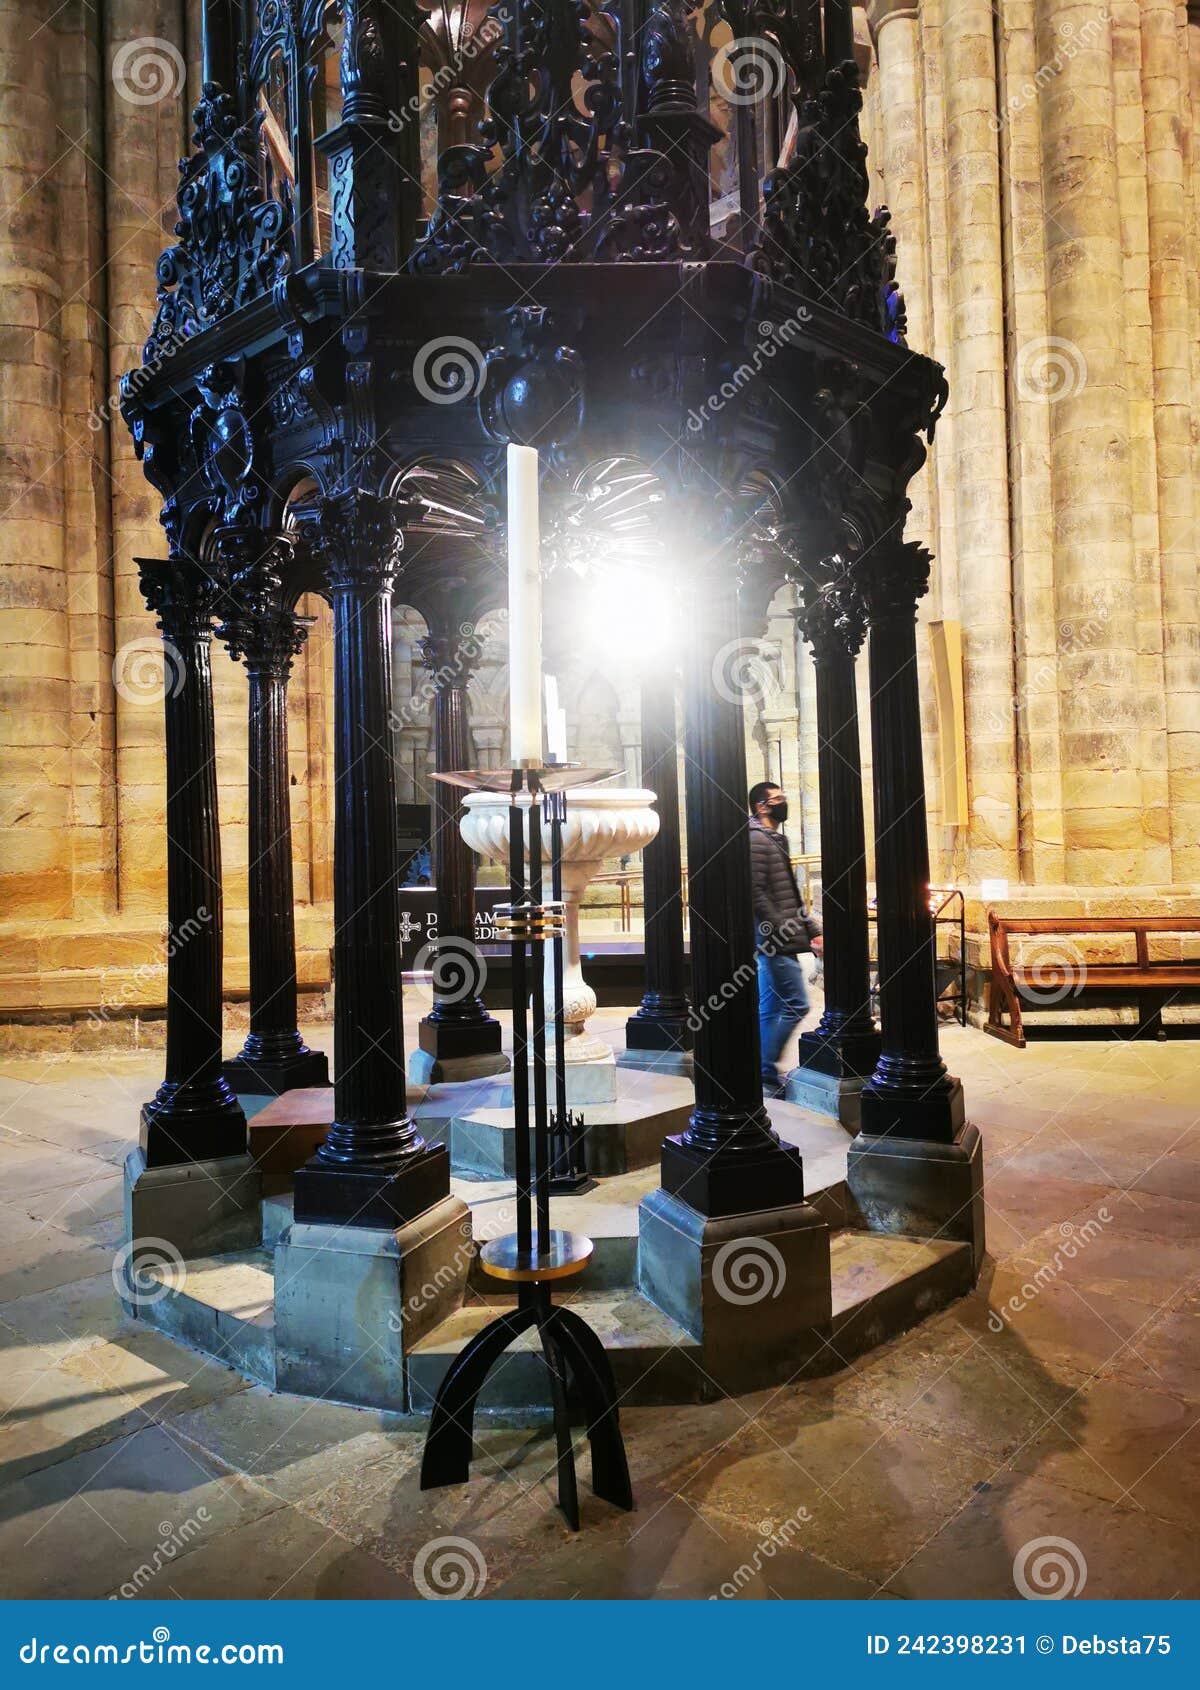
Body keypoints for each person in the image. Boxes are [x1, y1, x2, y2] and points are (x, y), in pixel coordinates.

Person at [748, 781, 821, 1097]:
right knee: (796, 1003)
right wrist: (780, 929)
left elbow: (789, 891)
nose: (784, 803)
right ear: (761, 806)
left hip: (780, 936)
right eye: (778, 799)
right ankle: (766, 1070)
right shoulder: (756, 841)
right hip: (773, 938)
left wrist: (814, 931)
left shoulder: (775, 838)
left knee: (771, 1004)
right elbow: (756, 892)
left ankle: (760, 1068)